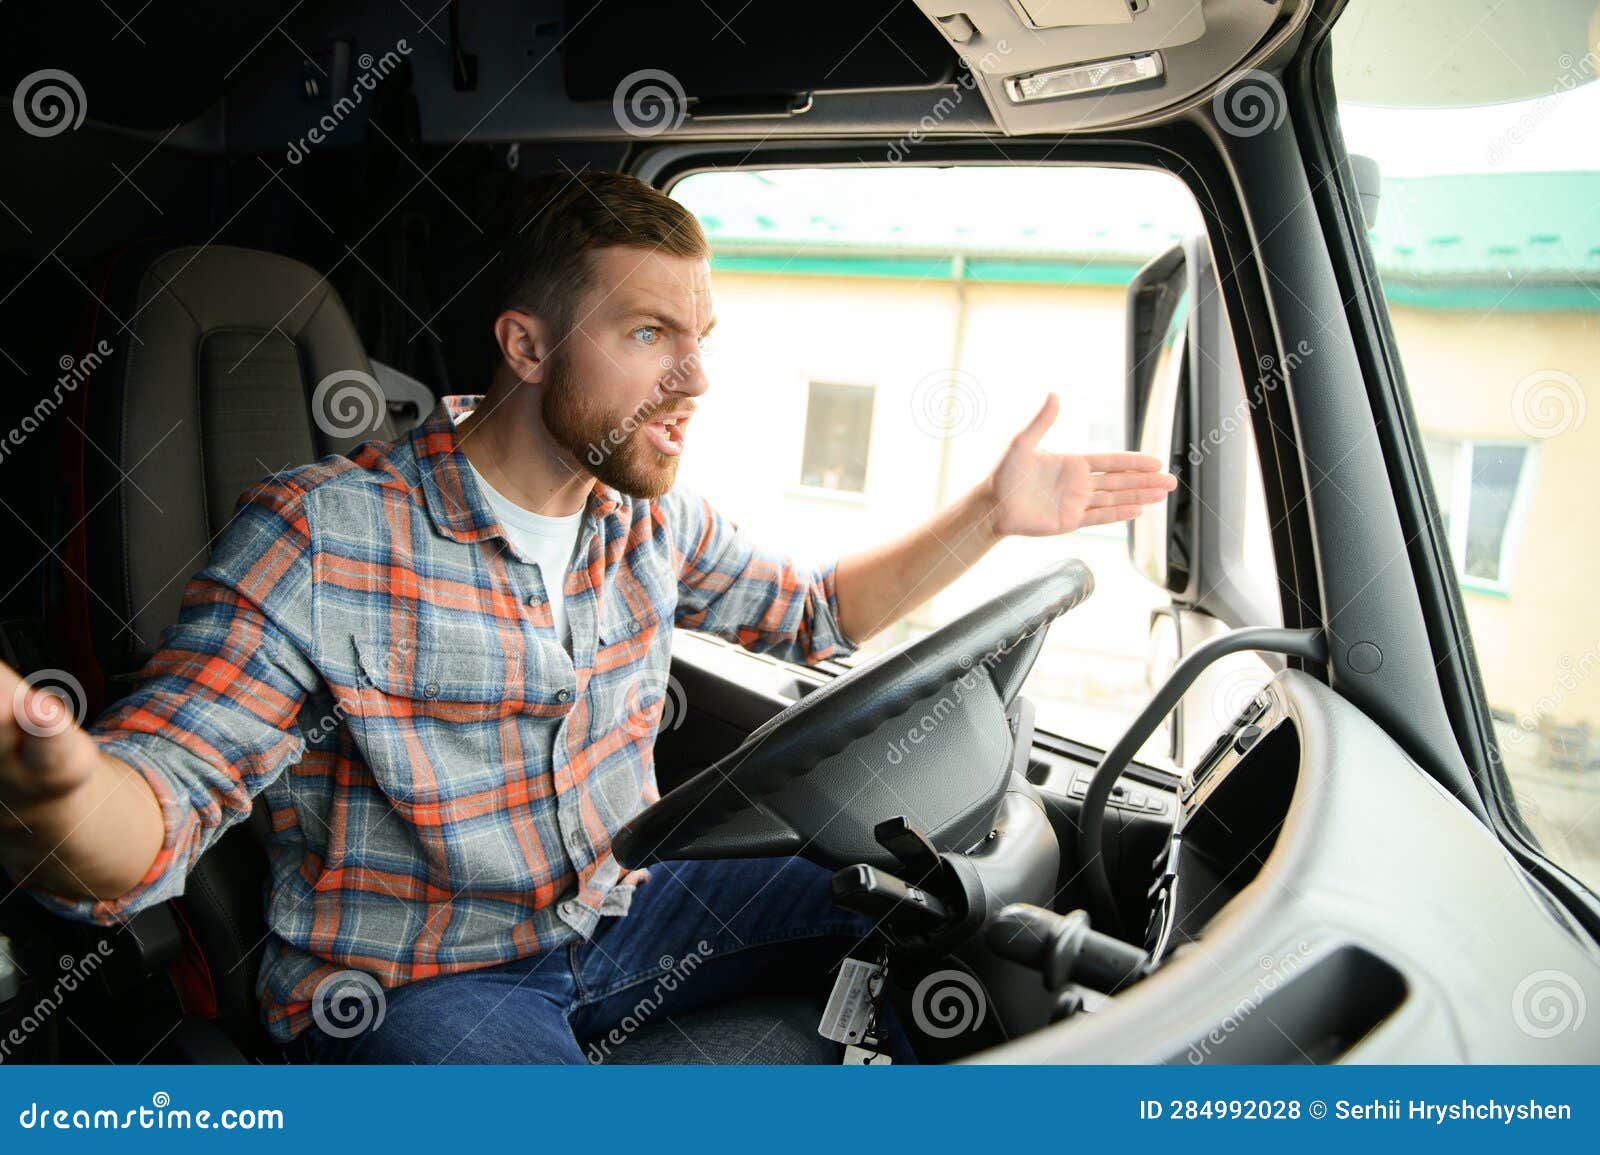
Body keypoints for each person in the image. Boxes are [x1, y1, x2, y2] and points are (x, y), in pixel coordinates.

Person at [0, 171, 1175, 1063]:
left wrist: (991, 514)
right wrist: (58, 791)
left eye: (701, 340)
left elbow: (814, 612)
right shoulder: (321, 538)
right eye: (649, 335)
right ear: (526, 346)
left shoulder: (644, 518)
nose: (696, 380)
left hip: (624, 914)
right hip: (419, 980)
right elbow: (158, 803)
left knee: (939, 907)